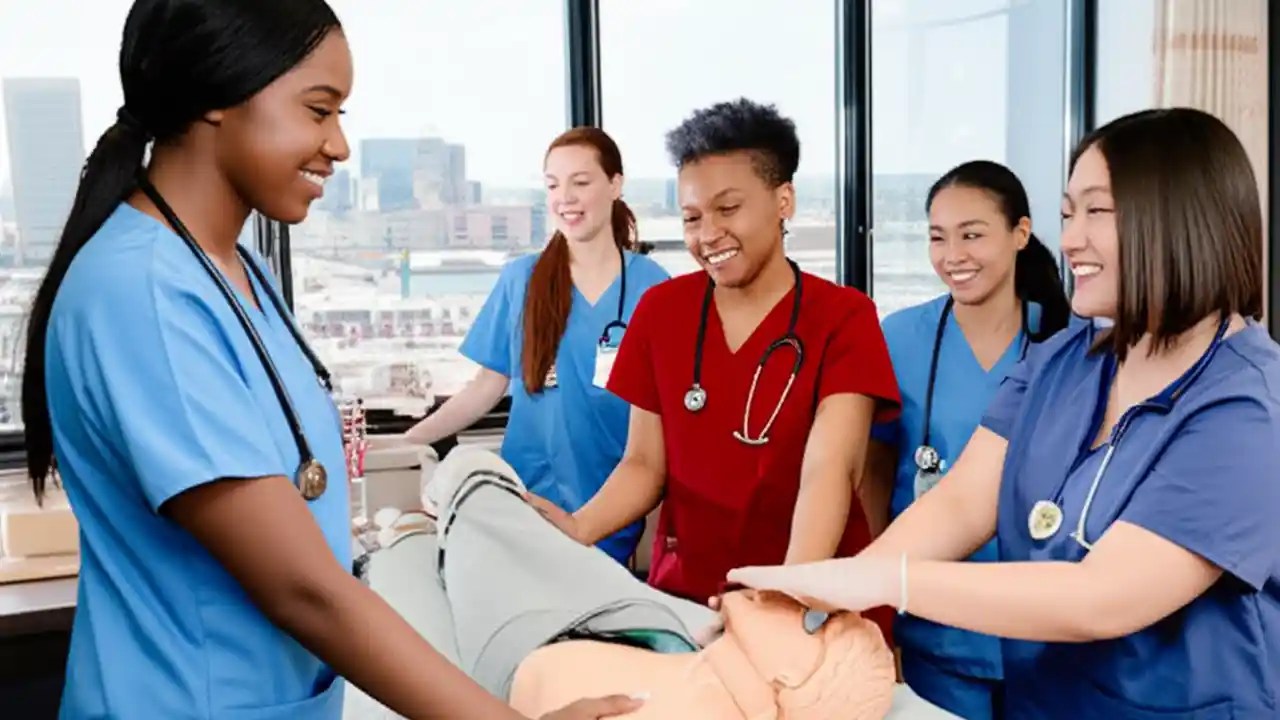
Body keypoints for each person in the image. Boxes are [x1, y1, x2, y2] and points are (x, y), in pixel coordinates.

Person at [21, 2, 639, 718]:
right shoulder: (142, 295)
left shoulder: (233, 271)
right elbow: (303, 589)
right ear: (219, 95)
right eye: (319, 110)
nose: (340, 146)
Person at [726, 107, 1280, 718]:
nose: (1069, 240)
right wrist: (818, 596)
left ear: (1179, 219)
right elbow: (962, 502)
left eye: (1097, 212)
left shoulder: (1248, 408)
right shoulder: (1065, 360)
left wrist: (891, 583)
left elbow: (1104, 597)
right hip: (1044, 703)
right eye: (1068, 213)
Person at [529, 98, 902, 636]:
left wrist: (785, 596)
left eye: (728, 210)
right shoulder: (663, 312)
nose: (708, 235)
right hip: (691, 605)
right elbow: (643, 464)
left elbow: (831, 472)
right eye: (692, 217)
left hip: (812, 604)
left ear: (784, 201)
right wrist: (579, 526)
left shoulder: (844, 318)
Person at [398, 126, 669, 565]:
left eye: (581, 182)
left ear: (615, 185)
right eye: (553, 184)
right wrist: (408, 443)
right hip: (528, 505)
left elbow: (665, 422)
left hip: (613, 508)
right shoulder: (522, 280)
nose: (566, 197)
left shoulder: (652, 287)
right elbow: (486, 385)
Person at [865, 160, 1070, 718]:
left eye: (972, 234)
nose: (952, 255)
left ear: (1020, 234)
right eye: (938, 237)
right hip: (938, 628)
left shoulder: (1067, 344)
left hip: (1046, 629)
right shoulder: (901, 337)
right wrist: (879, 610)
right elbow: (875, 475)